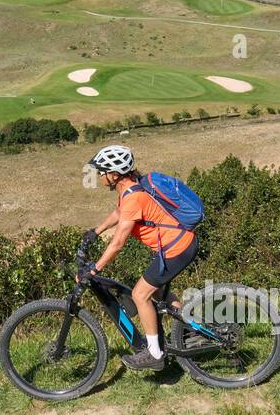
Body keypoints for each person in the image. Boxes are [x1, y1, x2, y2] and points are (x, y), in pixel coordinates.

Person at [81, 144, 199, 371]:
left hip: (177, 249)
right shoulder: (131, 190)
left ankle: (154, 353)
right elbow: (119, 212)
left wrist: (94, 269)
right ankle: (192, 329)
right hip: (178, 246)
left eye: (102, 171)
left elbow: (117, 244)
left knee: (139, 294)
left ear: (114, 175)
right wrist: (96, 232)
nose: (99, 176)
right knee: (156, 290)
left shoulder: (133, 197)